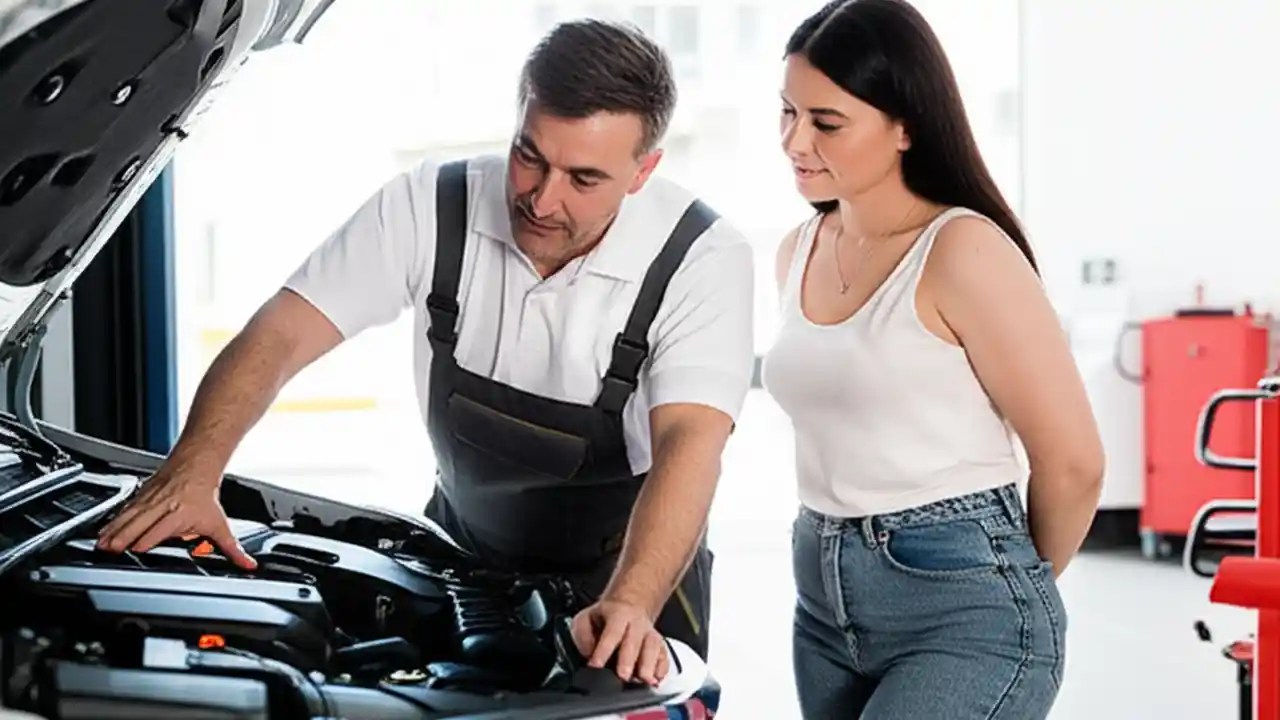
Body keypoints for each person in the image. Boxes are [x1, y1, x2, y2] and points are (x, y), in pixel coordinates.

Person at [96, 19, 755, 686]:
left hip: (632, 576)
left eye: (584, 179)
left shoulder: (700, 259)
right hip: (464, 561)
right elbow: (281, 333)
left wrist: (631, 603)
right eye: (530, 156)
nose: (541, 198)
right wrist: (192, 471)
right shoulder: (433, 206)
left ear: (644, 170)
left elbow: (690, 446)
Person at [761, 1, 1105, 717]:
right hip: (822, 606)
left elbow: (1074, 463)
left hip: (961, 610)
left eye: (827, 123)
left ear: (905, 126)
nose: (796, 141)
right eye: (787, 112)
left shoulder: (962, 251)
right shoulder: (798, 251)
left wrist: (1010, 586)